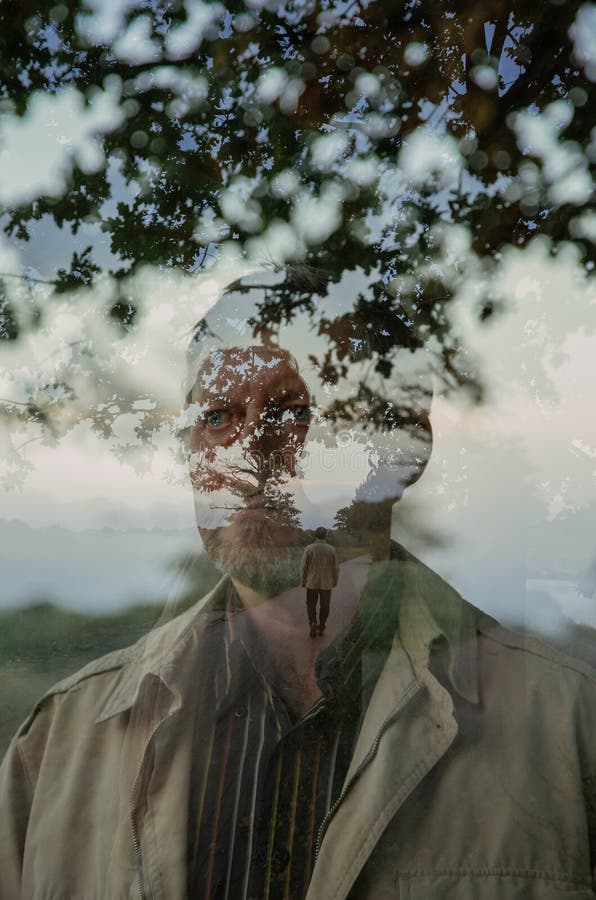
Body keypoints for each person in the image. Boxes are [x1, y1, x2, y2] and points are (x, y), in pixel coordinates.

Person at [1, 266, 596, 900]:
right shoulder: (61, 742)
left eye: (296, 410)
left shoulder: (569, 729)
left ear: (407, 447)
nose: (248, 451)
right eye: (219, 415)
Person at [301, 526, 339, 637]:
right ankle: (321, 626)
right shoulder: (331, 549)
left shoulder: (309, 548)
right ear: (325, 535)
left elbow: (303, 567)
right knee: (325, 605)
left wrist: (303, 580)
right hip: (326, 583)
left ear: (315, 535)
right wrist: (335, 581)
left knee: (311, 604)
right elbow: (336, 568)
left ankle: (313, 622)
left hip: (312, 582)